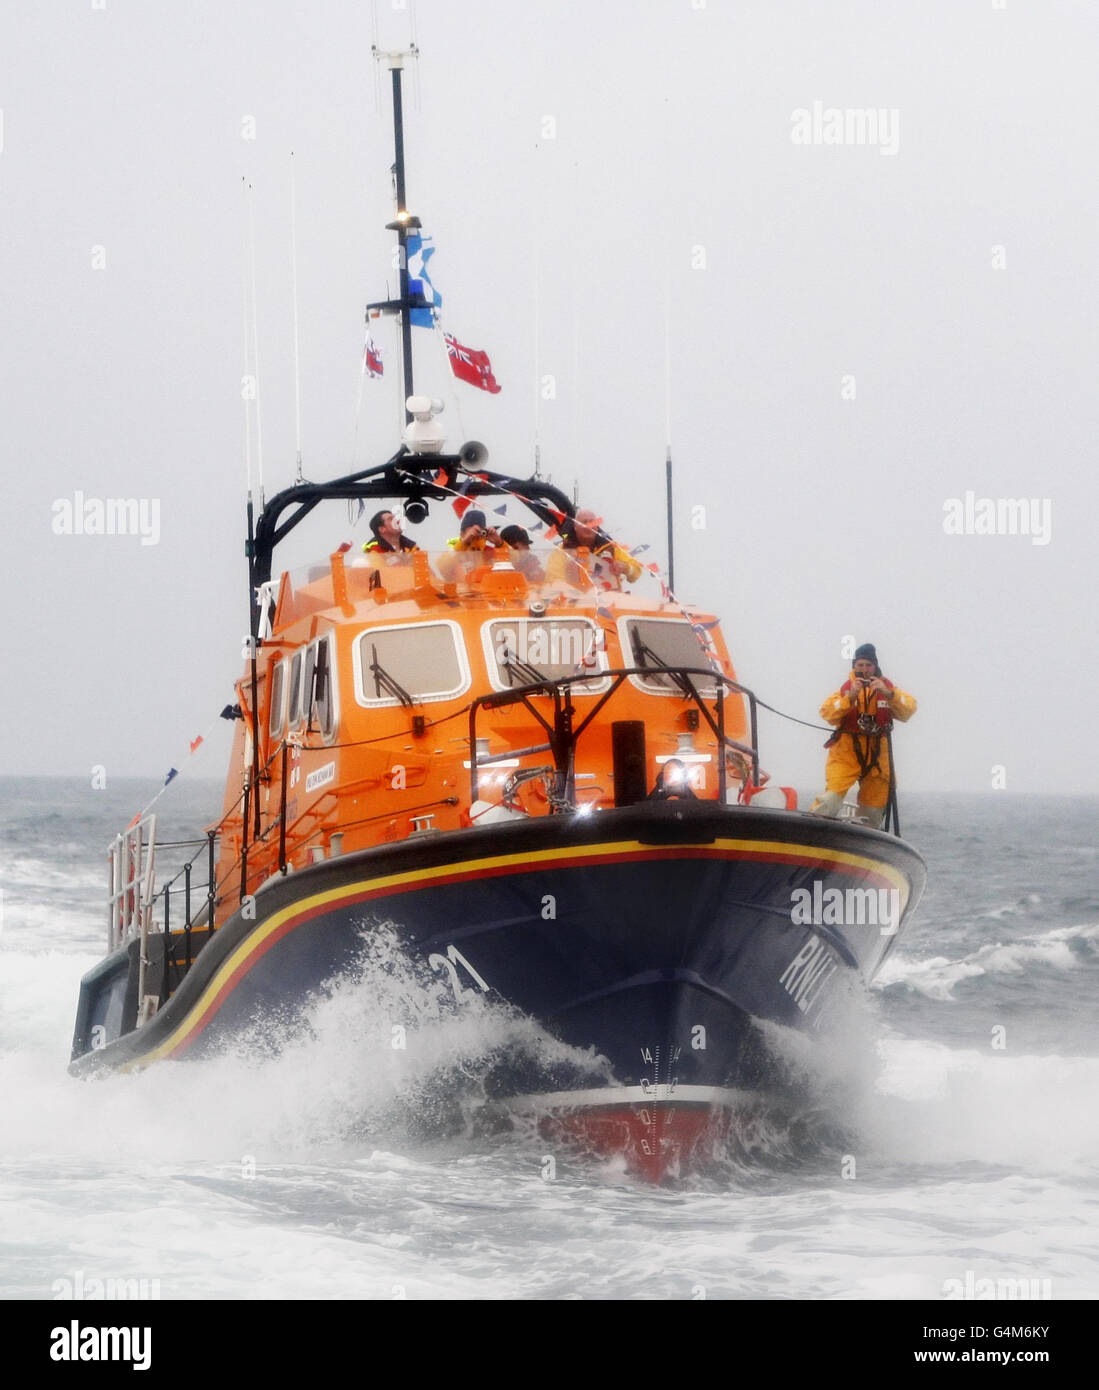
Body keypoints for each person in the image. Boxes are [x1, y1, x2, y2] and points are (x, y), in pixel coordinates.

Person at [810, 643, 917, 829]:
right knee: (830, 799)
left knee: (872, 813)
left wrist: (888, 693)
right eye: (860, 665)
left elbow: (909, 709)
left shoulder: (887, 689)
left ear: (875, 666)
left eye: (868, 665)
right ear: (854, 667)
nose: (864, 670)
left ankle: (862, 845)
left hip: (878, 756)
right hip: (846, 752)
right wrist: (850, 697)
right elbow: (827, 713)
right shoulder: (844, 691)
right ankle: (810, 831)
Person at [545, 508, 642, 588]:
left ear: (597, 526)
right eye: (584, 522)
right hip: (573, 602)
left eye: (592, 522)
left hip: (608, 603)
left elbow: (636, 573)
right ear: (575, 527)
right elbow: (553, 579)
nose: (588, 526)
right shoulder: (562, 550)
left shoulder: (612, 548)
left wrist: (625, 567)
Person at [435, 509, 504, 582]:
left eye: (479, 532)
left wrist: (499, 543)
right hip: (461, 592)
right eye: (471, 533)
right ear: (462, 534)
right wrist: (464, 543)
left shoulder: (489, 552)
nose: (475, 537)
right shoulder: (455, 554)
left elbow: (512, 566)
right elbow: (441, 566)